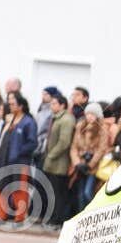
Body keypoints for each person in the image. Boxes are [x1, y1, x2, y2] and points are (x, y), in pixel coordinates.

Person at [0, 88, 38, 225]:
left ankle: (19, 217)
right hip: (4, 162)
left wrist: (18, 153)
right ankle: (2, 216)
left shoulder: (28, 122)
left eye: (13, 104)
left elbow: (32, 143)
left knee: (19, 189)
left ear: (21, 105)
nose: (10, 106)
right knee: (2, 187)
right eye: (10, 103)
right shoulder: (10, 121)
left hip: (20, 162)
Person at [42, 89, 75, 226]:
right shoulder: (57, 118)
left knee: (58, 192)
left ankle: (57, 219)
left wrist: (51, 155)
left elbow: (64, 142)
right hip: (51, 162)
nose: (52, 106)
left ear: (62, 105)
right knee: (52, 191)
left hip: (59, 163)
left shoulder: (66, 119)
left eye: (54, 103)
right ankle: (52, 217)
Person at [69, 106, 109, 211]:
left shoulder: (102, 128)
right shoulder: (80, 126)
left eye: (93, 114)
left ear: (98, 116)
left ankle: (92, 214)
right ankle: (81, 218)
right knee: (80, 194)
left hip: (93, 166)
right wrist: (77, 163)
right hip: (80, 163)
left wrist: (90, 164)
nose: (90, 117)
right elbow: (74, 147)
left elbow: (102, 149)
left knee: (88, 192)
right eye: (88, 114)